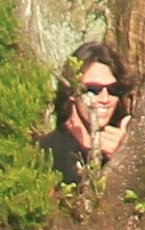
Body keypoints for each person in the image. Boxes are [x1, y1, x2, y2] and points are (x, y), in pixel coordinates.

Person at [52, 42, 130, 184]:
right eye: (93, 89)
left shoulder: (121, 145)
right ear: (71, 92)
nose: (105, 99)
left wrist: (125, 156)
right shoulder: (50, 152)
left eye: (113, 89)